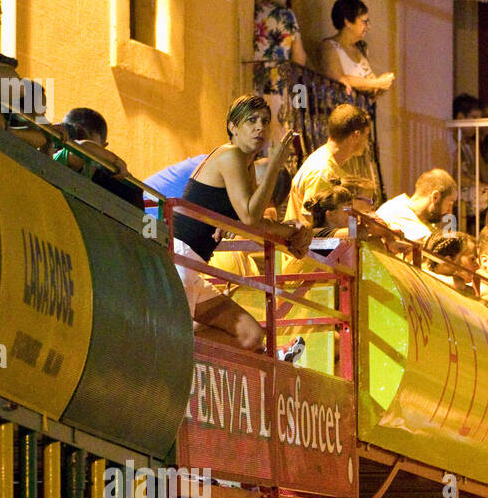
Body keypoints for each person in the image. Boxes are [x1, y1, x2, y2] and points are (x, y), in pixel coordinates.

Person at [172, 95, 311, 350]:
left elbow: (252, 223)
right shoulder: (231, 155)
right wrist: (274, 166)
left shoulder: (245, 165)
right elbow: (249, 217)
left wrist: (293, 232)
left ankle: (177, 341)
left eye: (265, 121)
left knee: (251, 335)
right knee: (180, 339)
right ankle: (172, 342)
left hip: (193, 266)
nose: (260, 127)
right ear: (232, 127)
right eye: (251, 120)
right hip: (178, 260)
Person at [285, 103, 373, 234]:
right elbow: (313, 228)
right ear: (356, 136)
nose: (367, 143)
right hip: (304, 253)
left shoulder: (324, 161)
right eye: (366, 136)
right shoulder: (323, 171)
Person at [319, 0, 395, 96]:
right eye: (364, 21)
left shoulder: (361, 49)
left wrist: (383, 84)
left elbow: (372, 91)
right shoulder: (329, 47)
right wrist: (377, 83)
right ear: (348, 22)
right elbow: (337, 79)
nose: (369, 26)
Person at [375, 169, 458, 244]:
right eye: (449, 204)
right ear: (435, 197)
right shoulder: (393, 212)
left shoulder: (427, 224)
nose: (450, 211)